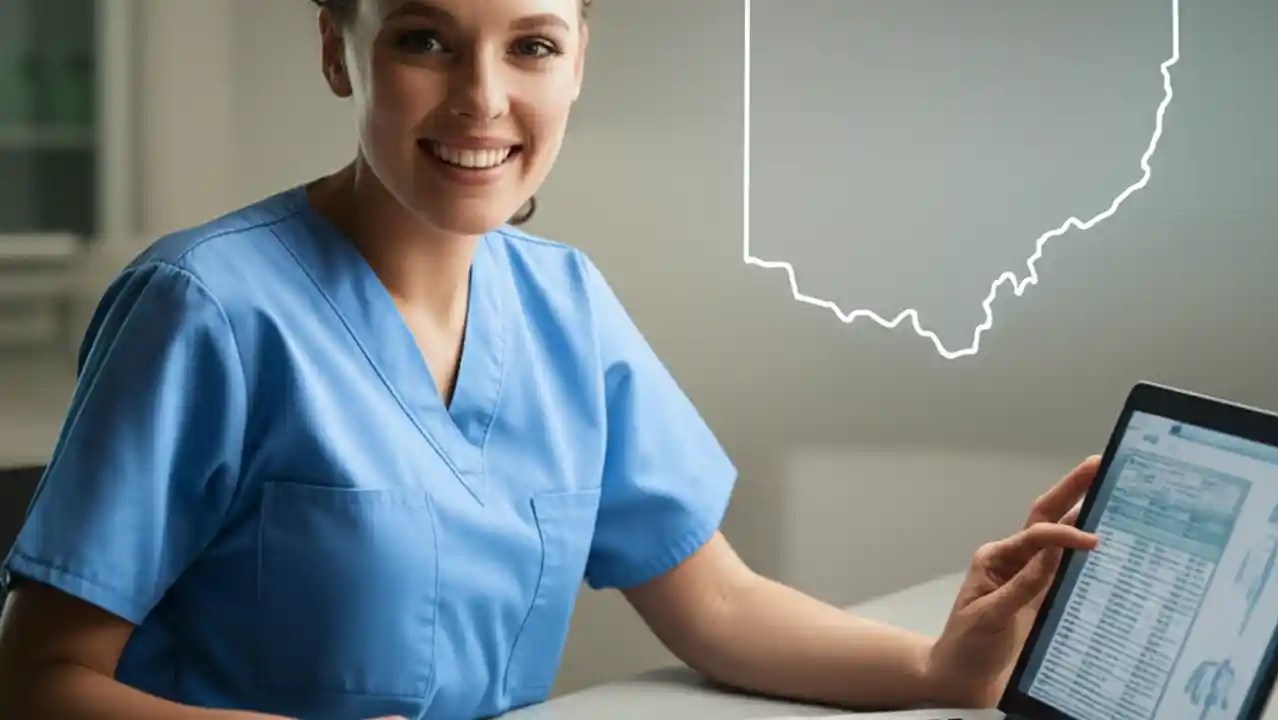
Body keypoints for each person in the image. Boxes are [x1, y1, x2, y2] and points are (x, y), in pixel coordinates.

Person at [0, 0, 1102, 718]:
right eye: (422, 39)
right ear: (337, 48)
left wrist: (933, 670)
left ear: (577, 63)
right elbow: (42, 681)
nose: (484, 99)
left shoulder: (564, 303)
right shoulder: (203, 310)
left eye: (530, 45)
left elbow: (715, 606)